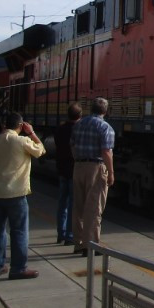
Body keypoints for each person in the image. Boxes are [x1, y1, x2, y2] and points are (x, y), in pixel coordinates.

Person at [0, 112, 45, 279]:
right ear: (21, 126)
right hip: (16, 194)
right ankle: (18, 268)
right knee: (19, 231)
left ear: (3, 125)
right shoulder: (23, 141)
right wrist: (32, 133)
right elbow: (41, 150)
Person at [70, 97, 115, 256]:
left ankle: (78, 243)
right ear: (106, 110)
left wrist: (78, 161)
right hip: (96, 167)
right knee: (94, 208)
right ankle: (91, 245)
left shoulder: (79, 124)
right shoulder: (105, 127)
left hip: (79, 166)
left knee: (78, 207)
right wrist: (111, 172)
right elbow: (106, 152)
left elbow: (73, 145)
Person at [54, 102, 83, 246]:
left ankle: (61, 233)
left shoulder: (59, 129)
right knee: (74, 203)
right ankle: (70, 235)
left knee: (62, 203)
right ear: (80, 116)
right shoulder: (79, 131)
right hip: (74, 169)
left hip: (62, 169)